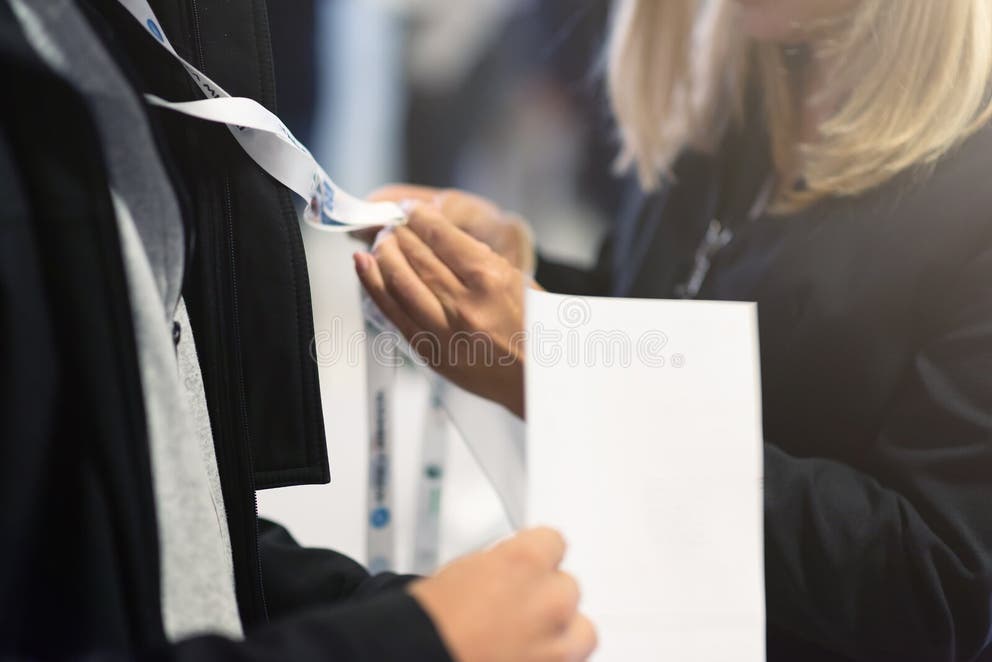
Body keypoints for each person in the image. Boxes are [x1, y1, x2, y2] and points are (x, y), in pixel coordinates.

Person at [355, 0, 992, 660]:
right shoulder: (739, 81)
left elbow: (938, 587)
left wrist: (574, 383)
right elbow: (670, 308)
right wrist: (522, 277)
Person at [0, 0, 598, 660]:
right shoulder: (63, 70)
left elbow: (154, 534)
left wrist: (397, 614)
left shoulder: (92, 46)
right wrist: (415, 639)